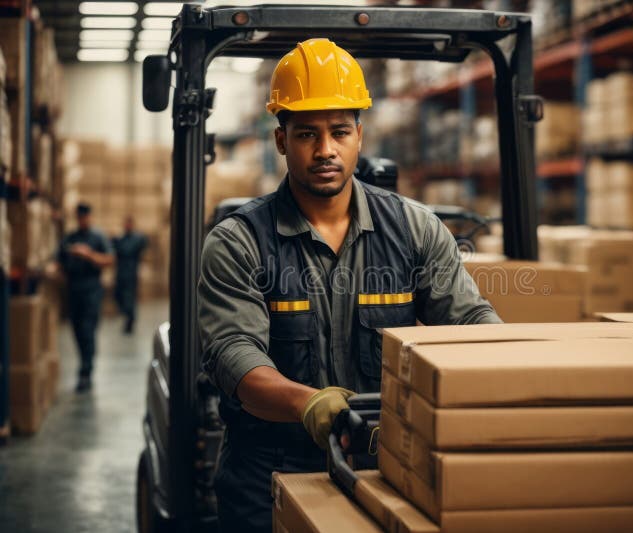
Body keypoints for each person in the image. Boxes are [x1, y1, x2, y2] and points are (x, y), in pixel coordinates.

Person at [197, 38, 501, 532]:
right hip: (270, 472)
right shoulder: (238, 242)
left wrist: (510, 363)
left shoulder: (414, 229)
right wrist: (309, 403)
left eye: (339, 132)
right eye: (306, 134)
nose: (325, 150)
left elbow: (468, 319)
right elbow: (236, 356)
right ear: (281, 140)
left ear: (359, 135)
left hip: (382, 464)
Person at [57, 203, 115, 392]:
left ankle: (85, 371)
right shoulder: (70, 238)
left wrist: (88, 254)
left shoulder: (98, 237)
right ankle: (84, 363)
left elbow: (109, 259)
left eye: (85, 217)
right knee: (77, 330)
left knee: (88, 330)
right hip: (73, 291)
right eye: (79, 217)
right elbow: (59, 262)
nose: (82, 220)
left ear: (90, 217)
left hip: (91, 291)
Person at [112, 216, 148, 334]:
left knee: (129, 298)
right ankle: (128, 316)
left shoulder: (136, 239)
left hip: (131, 273)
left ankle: (130, 319)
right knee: (118, 296)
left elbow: (129, 249)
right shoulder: (121, 238)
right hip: (120, 272)